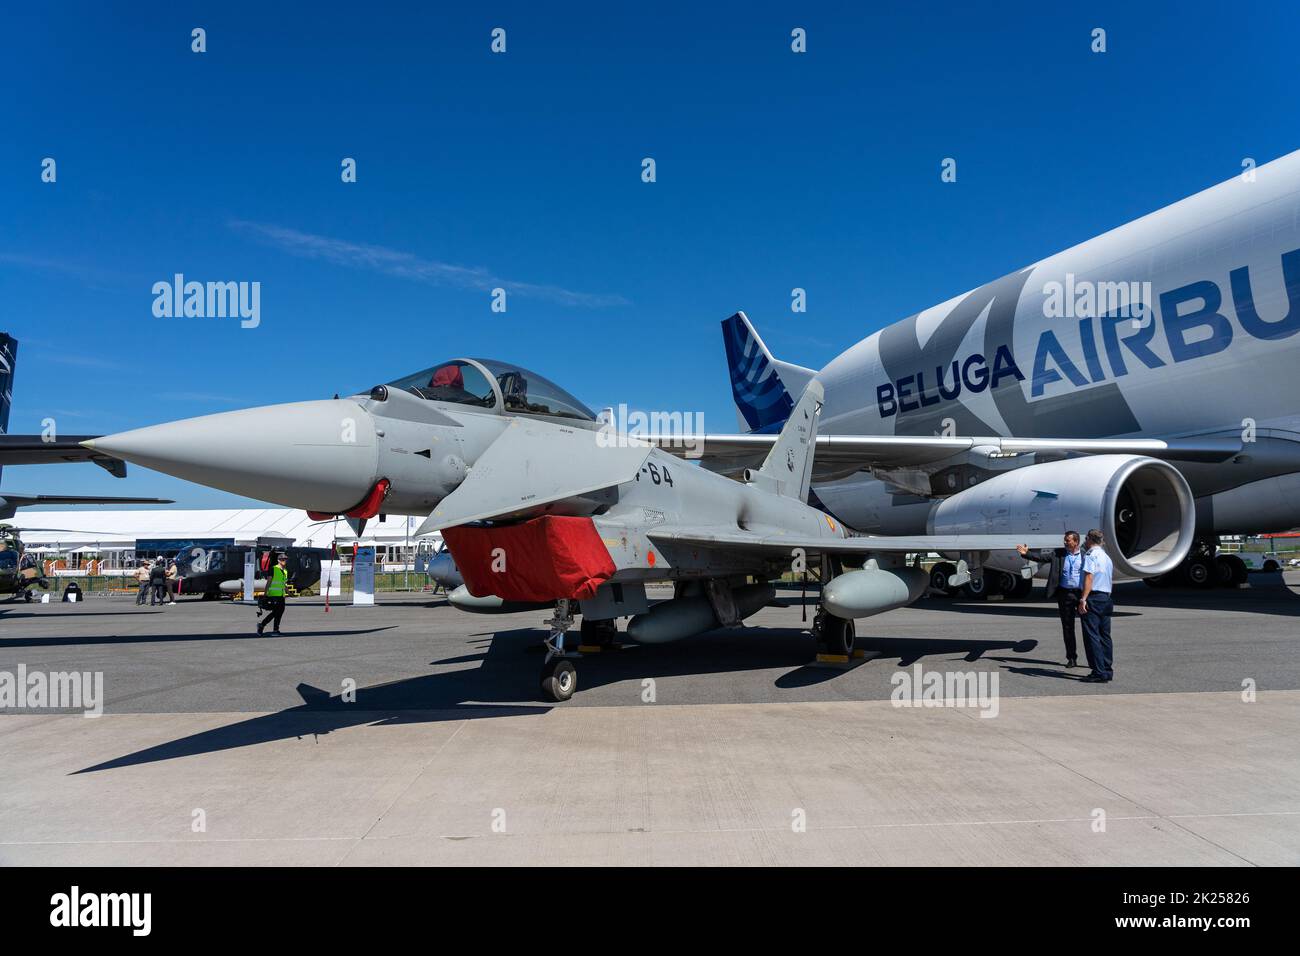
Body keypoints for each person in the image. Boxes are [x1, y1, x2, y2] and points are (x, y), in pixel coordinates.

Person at [1017, 532, 1085, 667]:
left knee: (1088, 627)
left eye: (1068, 540)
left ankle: (1094, 660)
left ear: (1076, 542)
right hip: (1065, 594)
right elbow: (1042, 558)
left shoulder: (1085, 555)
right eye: (1064, 540)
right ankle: (1071, 658)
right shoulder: (1058, 554)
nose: (1065, 542)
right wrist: (1026, 553)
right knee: (1068, 627)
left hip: (1082, 594)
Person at [1078, 528, 1116, 683]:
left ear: (1089, 539)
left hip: (1093, 597)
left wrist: (1083, 599)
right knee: (1105, 636)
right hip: (1105, 597)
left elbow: (1089, 577)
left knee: (1092, 635)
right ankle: (1107, 670)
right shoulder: (1106, 557)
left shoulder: (1090, 555)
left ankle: (1098, 671)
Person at [257, 553, 290, 635]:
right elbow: (269, 582)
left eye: (285, 559)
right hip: (274, 595)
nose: (284, 561)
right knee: (276, 612)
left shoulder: (285, 571)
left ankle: (266, 627)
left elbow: (283, 583)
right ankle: (269, 627)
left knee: (280, 612)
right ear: (278, 560)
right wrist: (265, 594)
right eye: (282, 559)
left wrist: (288, 592)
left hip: (281, 595)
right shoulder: (273, 569)